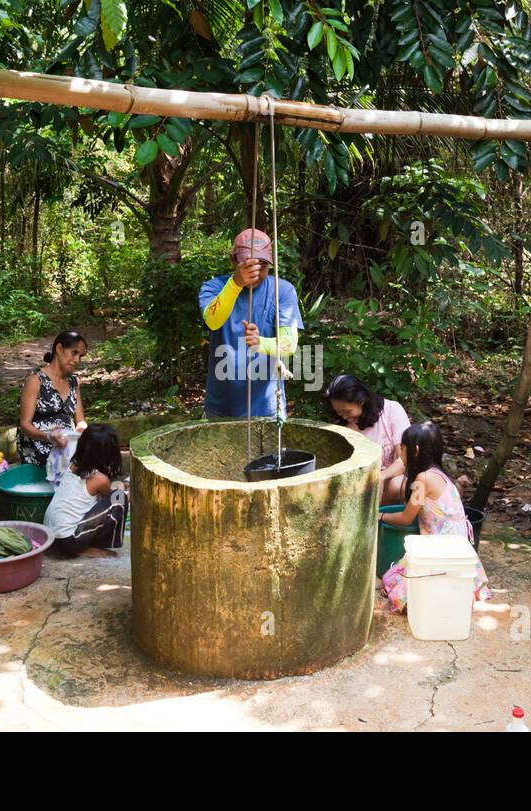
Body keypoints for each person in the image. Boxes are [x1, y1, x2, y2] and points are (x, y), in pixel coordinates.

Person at [379, 421, 490, 611]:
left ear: (414, 451)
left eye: (402, 449)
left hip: (441, 552)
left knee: (391, 583)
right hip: (458, 546)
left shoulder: (423, 479)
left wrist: (379, 516)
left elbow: (406, 519)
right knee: (392, 577)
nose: (400, 454)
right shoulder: (437, 473)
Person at [199, 228, 303, 419]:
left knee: (272, 450)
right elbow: (212, 321)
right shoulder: (213, 287)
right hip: (221, 405)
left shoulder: (283, 290)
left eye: (262, 265)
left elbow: (289, 344)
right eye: (248, 264)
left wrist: (261, 343)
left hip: (268, 407)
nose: (254, 272)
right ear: (233, 261)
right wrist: (235, 284)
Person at [42, 424, 129, 558]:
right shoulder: (100, 479)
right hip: (66, 542)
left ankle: (81, 544)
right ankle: (86, 548)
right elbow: (109, 502)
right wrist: (124, 492)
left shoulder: (72, 465)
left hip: (49, 536)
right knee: (120, 497)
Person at [323, 374, 411, 505]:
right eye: (339, 412)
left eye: (348, 411)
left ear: (361, 401)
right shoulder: (343, 426)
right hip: (360, 480)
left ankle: (384, 518)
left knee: (397, 486)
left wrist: (382, 476)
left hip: (392, 476)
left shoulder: (392, 410)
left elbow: (404, 459)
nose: (344, 416)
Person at [18, 331, 89, 467]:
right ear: (59, 349)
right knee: (75, 472)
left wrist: (78, 435)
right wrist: (49, 437)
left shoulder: (74, 382)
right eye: (74, 353)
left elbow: (80, 422)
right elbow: (24, 426)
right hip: (39, 447)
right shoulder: (36, 380)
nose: (77, 360)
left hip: (66, 445)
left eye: (80, 356)